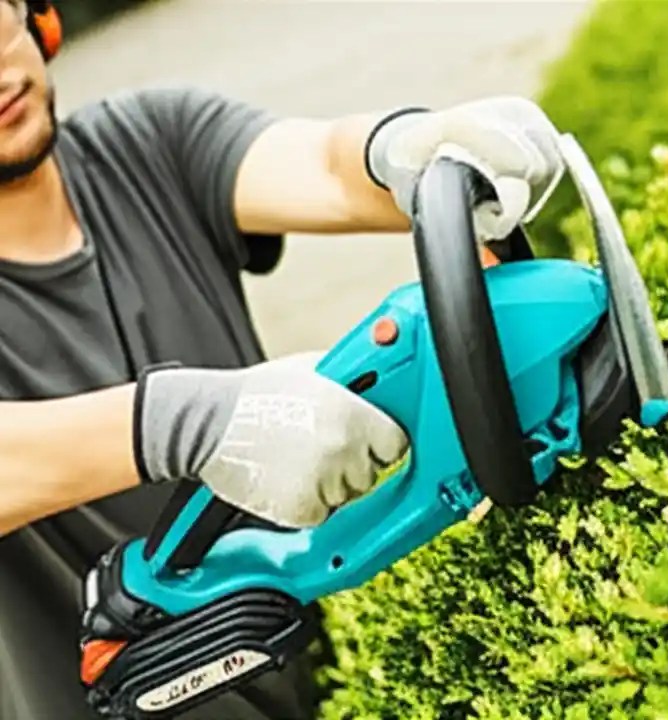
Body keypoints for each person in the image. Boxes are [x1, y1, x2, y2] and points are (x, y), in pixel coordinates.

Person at [0, 1, 568, 718]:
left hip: (315, 683)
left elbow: (327, 167)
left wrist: (411, 150)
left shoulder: (148, 143)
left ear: (36, 19)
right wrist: (184, 423)